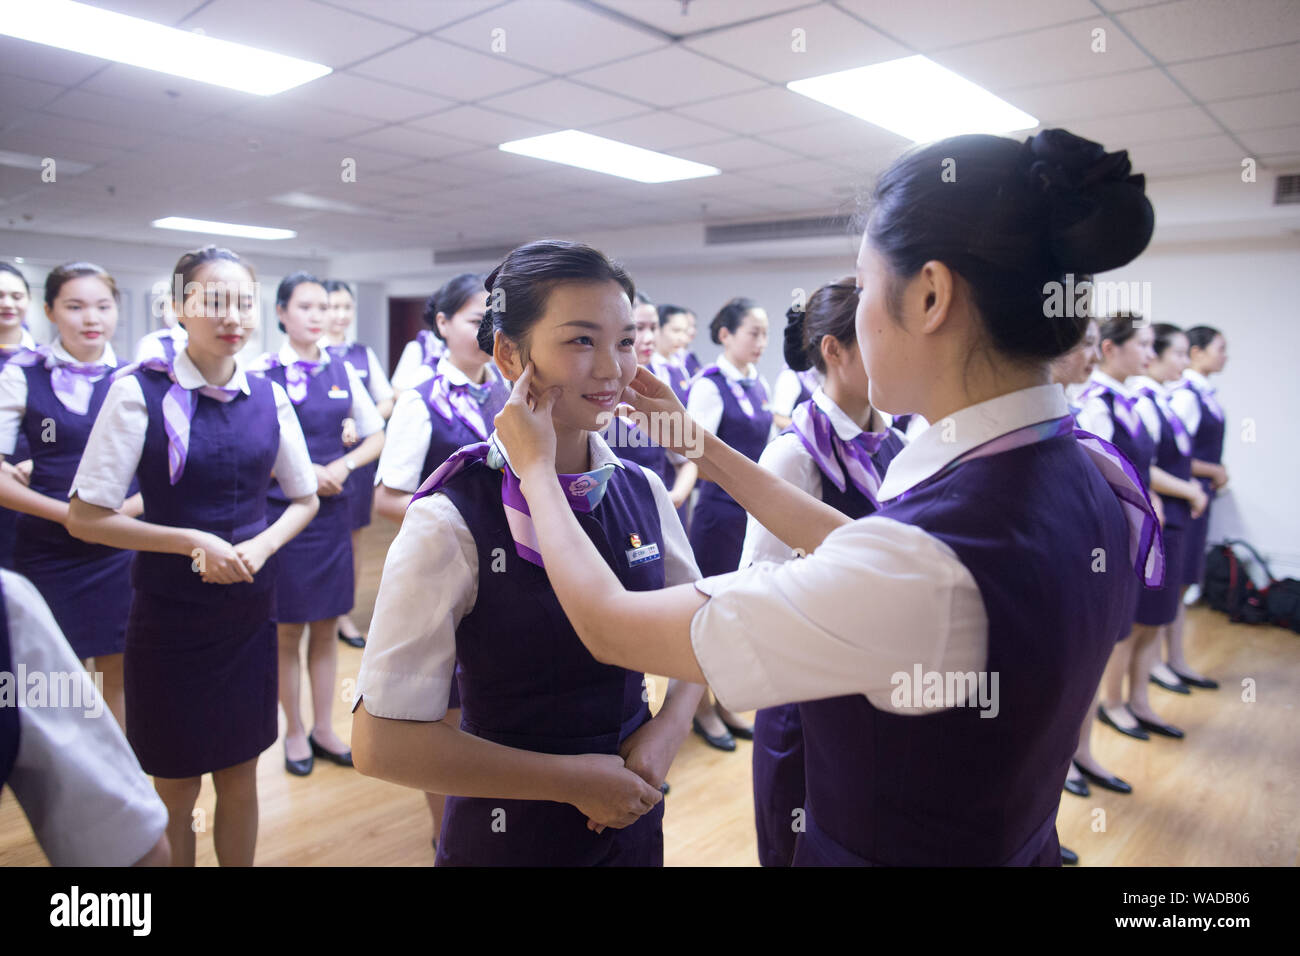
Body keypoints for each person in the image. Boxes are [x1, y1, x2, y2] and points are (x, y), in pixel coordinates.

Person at [492, 129, 1162, 866]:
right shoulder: (1086, 475)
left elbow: (612, 627)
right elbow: (861, 547)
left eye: (866, 285)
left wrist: (534, 471)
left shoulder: (925, 566)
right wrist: (704, 451)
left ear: (932, 295)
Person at [351, 240, 704, 867]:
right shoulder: (450, 517)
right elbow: (380, 744)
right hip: (507, 832)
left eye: (624, 341)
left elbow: (702, 636)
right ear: (511, 354)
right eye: (580, 341)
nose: (611, 370)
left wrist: (666, 731)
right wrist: (571, 781)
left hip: (634, 812)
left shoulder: (640, 489)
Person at [67, 245, 319, 866]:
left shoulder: (270, 396)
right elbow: (86, 517)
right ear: (178, 307)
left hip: (247, 616)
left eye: (243, 302)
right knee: (176, 787)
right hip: (170, 621)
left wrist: (260, 544)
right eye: (213, 301)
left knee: (240, 777)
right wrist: (190, 541)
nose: (232, 316)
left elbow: (304, 499)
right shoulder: (139, 393)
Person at [745, 278, 907, 866]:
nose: (898, 350)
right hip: (804, 698)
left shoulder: (899, 445)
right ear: (834, 351)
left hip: (874, 691)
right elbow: (758, 590)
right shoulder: (794, 453)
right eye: (877, 338)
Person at [371, 272, 509, 851]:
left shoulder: (508, 392)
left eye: (493, 318)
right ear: (442, 325)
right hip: (444, 576)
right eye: (474, 317)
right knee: (448, 713)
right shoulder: (420, 401)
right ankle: (444, 836)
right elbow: (386, 497)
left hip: (509, 575)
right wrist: (466, 528)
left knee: (496, 703)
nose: (486, 329)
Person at [248, 273, 384, 775]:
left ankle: (325, 728)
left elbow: (376, 434)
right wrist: (303, 477)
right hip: (282, 515)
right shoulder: (260, 373)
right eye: (304, 306)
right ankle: (294, 732)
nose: (316, 316)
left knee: (325, 629)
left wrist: (343, 467)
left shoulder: (343, 369)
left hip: (332, 517)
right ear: (281, 313)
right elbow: (248, 447)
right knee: (287, 633)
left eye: (324, 307)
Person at [0, 262, 137, 730]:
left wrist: (123, 517)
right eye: (74, 307)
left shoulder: (136, 378)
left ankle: (121, 779)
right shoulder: (22, 374)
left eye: (102, 306)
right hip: (47, 547)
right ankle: (74, 785)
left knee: (119, 665)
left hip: (122, 548)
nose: (91, 318)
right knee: (58, 676)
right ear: (50, 312)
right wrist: (72, 517)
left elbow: (163, 470)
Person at [0, 568, 170, 866]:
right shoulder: (9, 604)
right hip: (51, 563)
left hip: (106, 564)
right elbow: (136, 844)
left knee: (110, 675)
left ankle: (126, 768)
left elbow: (131, 840)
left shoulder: (10, 607)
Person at [1079, 315, 1183, 742]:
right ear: (1110, 349)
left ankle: (1138, 700)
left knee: (1143, 618)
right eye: (1142, 344)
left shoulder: (1129, 401)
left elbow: (1138, 466)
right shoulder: (1096, 403)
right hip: (1115, 530)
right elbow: (1097, 472)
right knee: (1120, 626)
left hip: (1139, 525)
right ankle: (1114, 706)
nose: (1148, 353)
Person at [1049, 317, 1133, 806]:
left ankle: (1083, 752)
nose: (1094, 355)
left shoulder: (1080, 407)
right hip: (1065, 554)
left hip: (1094, 551)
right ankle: (1058, 766)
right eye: (1083, 344)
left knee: (1088, 662)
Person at [684, 296, 772, 750]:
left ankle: (724, 700)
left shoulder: (758, 383)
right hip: (719, 515)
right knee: (709, 615)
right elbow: (693, 455)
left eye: (765, 334)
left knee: (736, 614)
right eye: (753, 333)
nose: (761, 342)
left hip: (751, 514)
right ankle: (699, 707)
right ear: (725, 335)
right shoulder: (708, 384)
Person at [1130, 324, 1209, 698]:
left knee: (1166, 604)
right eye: (1177, 353)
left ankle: (1161, 673)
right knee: (1144, 616)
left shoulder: (1161, 400)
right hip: (1164, 512)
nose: (1183, 360)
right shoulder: (1141, 402)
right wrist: (1188, 489)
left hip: (1176, 512)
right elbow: (1146, 466)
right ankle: (1125, 699)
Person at [322, 279, 395, 649]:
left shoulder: (362, 355)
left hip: (357, 461)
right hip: (315, 462)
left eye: (345, 308)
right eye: (330, 307)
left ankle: (343, 615)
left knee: (351, 539)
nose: (338, 315)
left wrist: (358, 417)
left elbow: (386, 402)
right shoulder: (307, 356)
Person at [1171, 326, 1229, 613]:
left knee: (1185, 580)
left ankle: (1175, 656)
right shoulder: (1186, 396)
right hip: (1187, 492)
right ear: (1198, 352)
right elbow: (1174, 455)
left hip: (1201, 491)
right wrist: (1213, 470)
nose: (1225, 357)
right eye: (1220, 349)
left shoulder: (1205, 394)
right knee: (1177, 579)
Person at [0, 262, 36, 570]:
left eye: (16, 295)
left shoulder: (44, 362)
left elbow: (57, 426)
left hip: (35, 484)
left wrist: (43, 459)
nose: (7, 304)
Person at [650, 304, 694, 405]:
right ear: (657, 328)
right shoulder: (646, 364)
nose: (682, 338)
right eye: (676, 331)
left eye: (684, 332)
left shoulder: (681, 366)